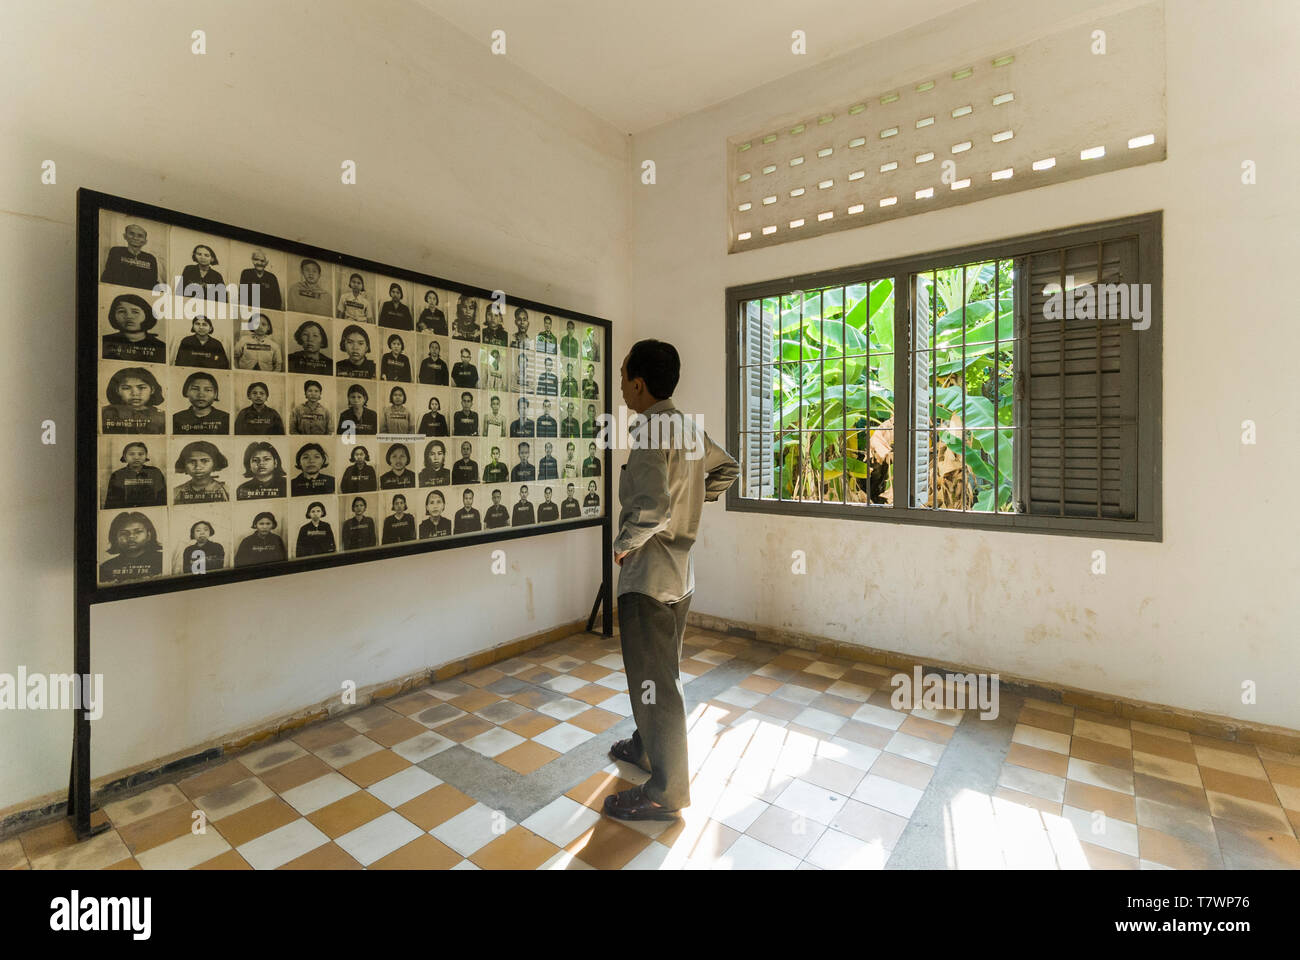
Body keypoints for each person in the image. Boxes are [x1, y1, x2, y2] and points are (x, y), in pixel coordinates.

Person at [602, 339, 739, 823]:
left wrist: (624, 543)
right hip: (681, 577)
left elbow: (651, 509)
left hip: (648, 579)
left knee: (656, 684)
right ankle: (645, 748)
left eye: (623, 377)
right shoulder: (686, 427)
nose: (620, 387)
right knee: (657, 676)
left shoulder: (646, 431)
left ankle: (666, 792)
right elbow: (727, 468)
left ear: (639, 384)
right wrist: (695, 501)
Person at [99, 511, 163, 582]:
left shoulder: (163, 560)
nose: (131, 537)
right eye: (124, 533)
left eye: (138, 532)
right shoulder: (105, 568)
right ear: (115, 538)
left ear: (148, 535)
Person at [102, 292, 166, 363]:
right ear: (113, 315)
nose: (129, 316)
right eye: (121, 311)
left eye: (135, 312)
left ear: (147, 315)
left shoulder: (161, 346)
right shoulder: (104, 341)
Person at [102, 367, 165, 434]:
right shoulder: (106, 413)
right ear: (117, 390)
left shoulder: (161, 416)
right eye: (126, 388)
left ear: (152, 390)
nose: (135, 393)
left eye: (142, 388)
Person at [103, 441, 166, 508]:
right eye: (131, 454)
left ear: (146, 456)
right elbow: (111, 503)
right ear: (125, 456)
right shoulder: (117, 475)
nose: (136, 457)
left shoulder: (155, 472)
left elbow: (163, 499)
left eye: (141, 454)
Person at [101, 223, 162, 290]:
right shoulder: (116, 252)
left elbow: (153, 282)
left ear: (145, 241)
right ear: (125, 236)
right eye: (131, 234)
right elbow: (108, 275)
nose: (135, 238)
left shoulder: (150, 258)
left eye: (140, 236)